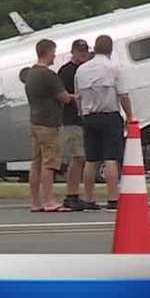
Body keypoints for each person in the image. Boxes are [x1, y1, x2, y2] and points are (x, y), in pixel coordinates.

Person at [74, 34, 133, 210]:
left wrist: (81, 113)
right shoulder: (113, 68)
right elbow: (123, 95)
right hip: (109, 115)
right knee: (110, 158)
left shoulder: (81, 70)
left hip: (89, 116)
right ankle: (113, 197)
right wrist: (129, 115)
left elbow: (78, 97)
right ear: (110, 49)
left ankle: (89, 198)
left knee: (91, 159)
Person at [23, 39, 75, 212]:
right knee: (49, 163)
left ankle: (36, 201)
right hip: (48, 124)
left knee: (36, 163)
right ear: (48, 51)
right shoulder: (48, 75)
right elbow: (64, 98)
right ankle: (49, 200)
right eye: (54, 51)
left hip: (35, 122)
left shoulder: (31, 73)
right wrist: (76, 96)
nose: (55, 55)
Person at [58, 39, 98, 211]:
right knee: (78, 157)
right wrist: (78, 97)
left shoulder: (85, 69)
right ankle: (71, 194)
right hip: (71, 119)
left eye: (85, 51)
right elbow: (64, 95)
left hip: (83, 119)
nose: (83, 54)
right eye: (80, 51)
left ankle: (76, 194)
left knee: (82, 158)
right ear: (72, 52)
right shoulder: (66, 71)